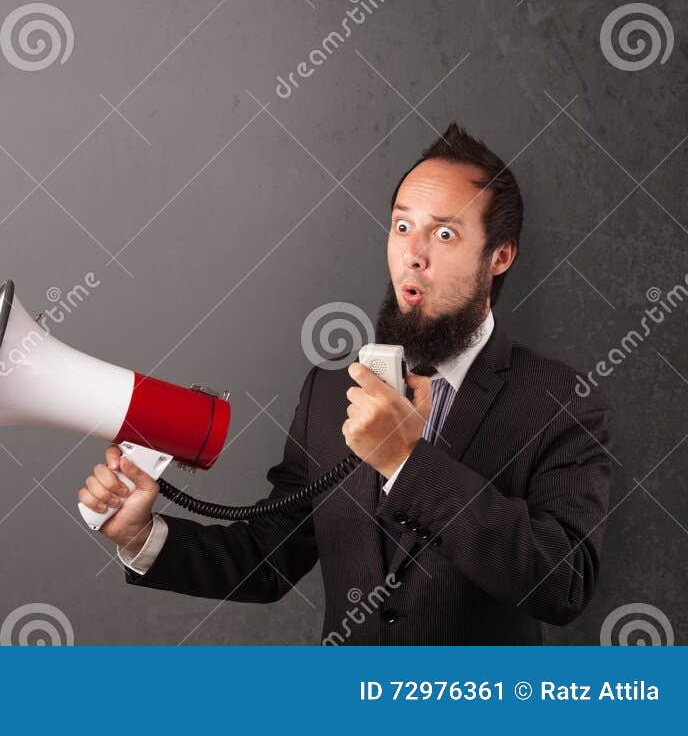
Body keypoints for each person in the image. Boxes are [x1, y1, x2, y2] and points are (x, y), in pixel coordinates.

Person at [81, 122, 613, 644]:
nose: (413, 254)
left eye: (444, 233)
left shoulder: (561, 401)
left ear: (500, 256)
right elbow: (269, 560)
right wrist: (141, 535)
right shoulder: (330, 391)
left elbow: (563, 584)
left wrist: (407, 463)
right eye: (402, 227)